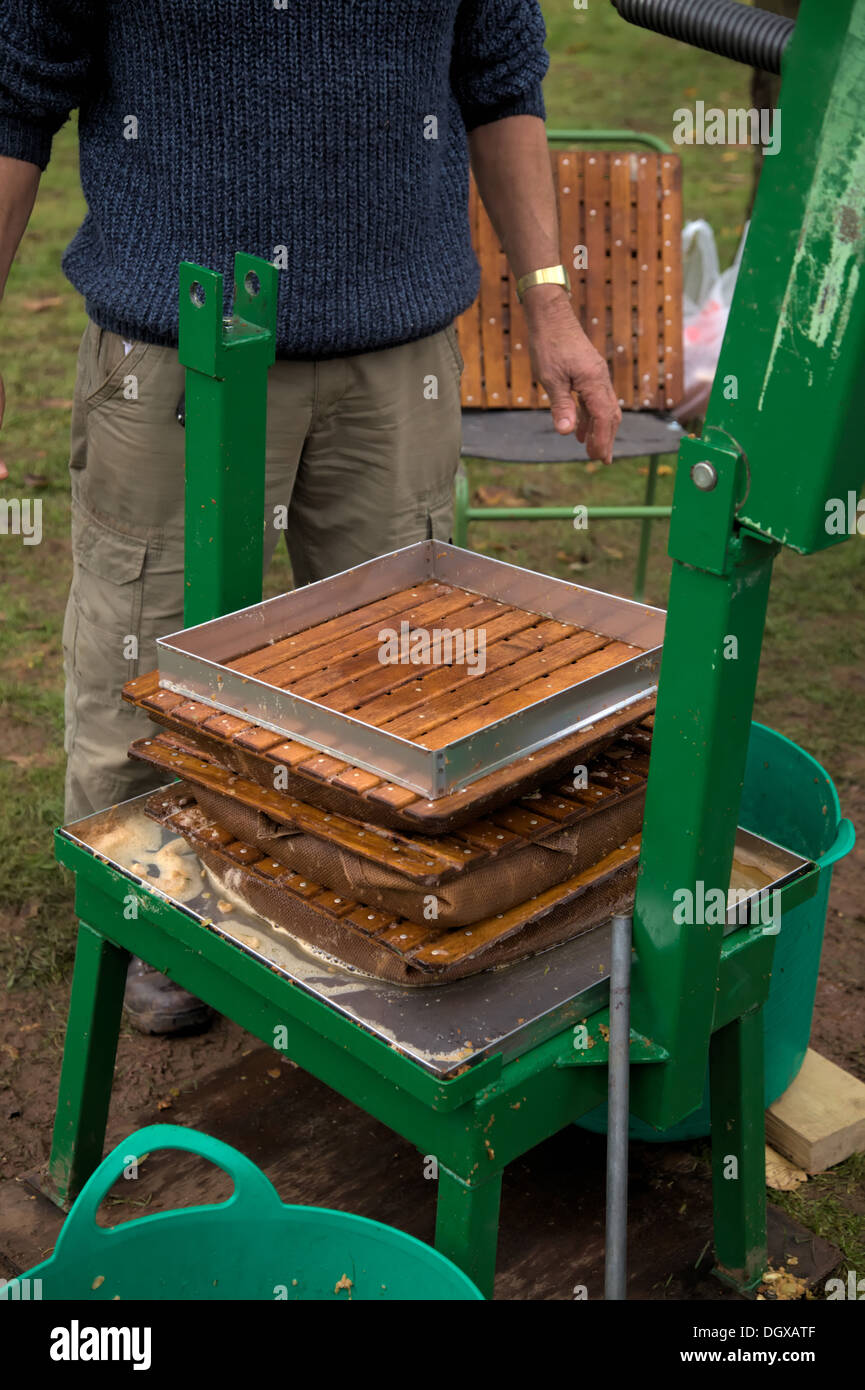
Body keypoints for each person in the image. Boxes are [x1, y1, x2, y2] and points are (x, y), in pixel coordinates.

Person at [0, 0, 620, 1033]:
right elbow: (14, 101)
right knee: (145, 657)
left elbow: (501, 80)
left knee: (400, 682)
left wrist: (549, 302)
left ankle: (372, 913)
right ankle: (152, 913)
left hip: (394, 357)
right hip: (177, 350)